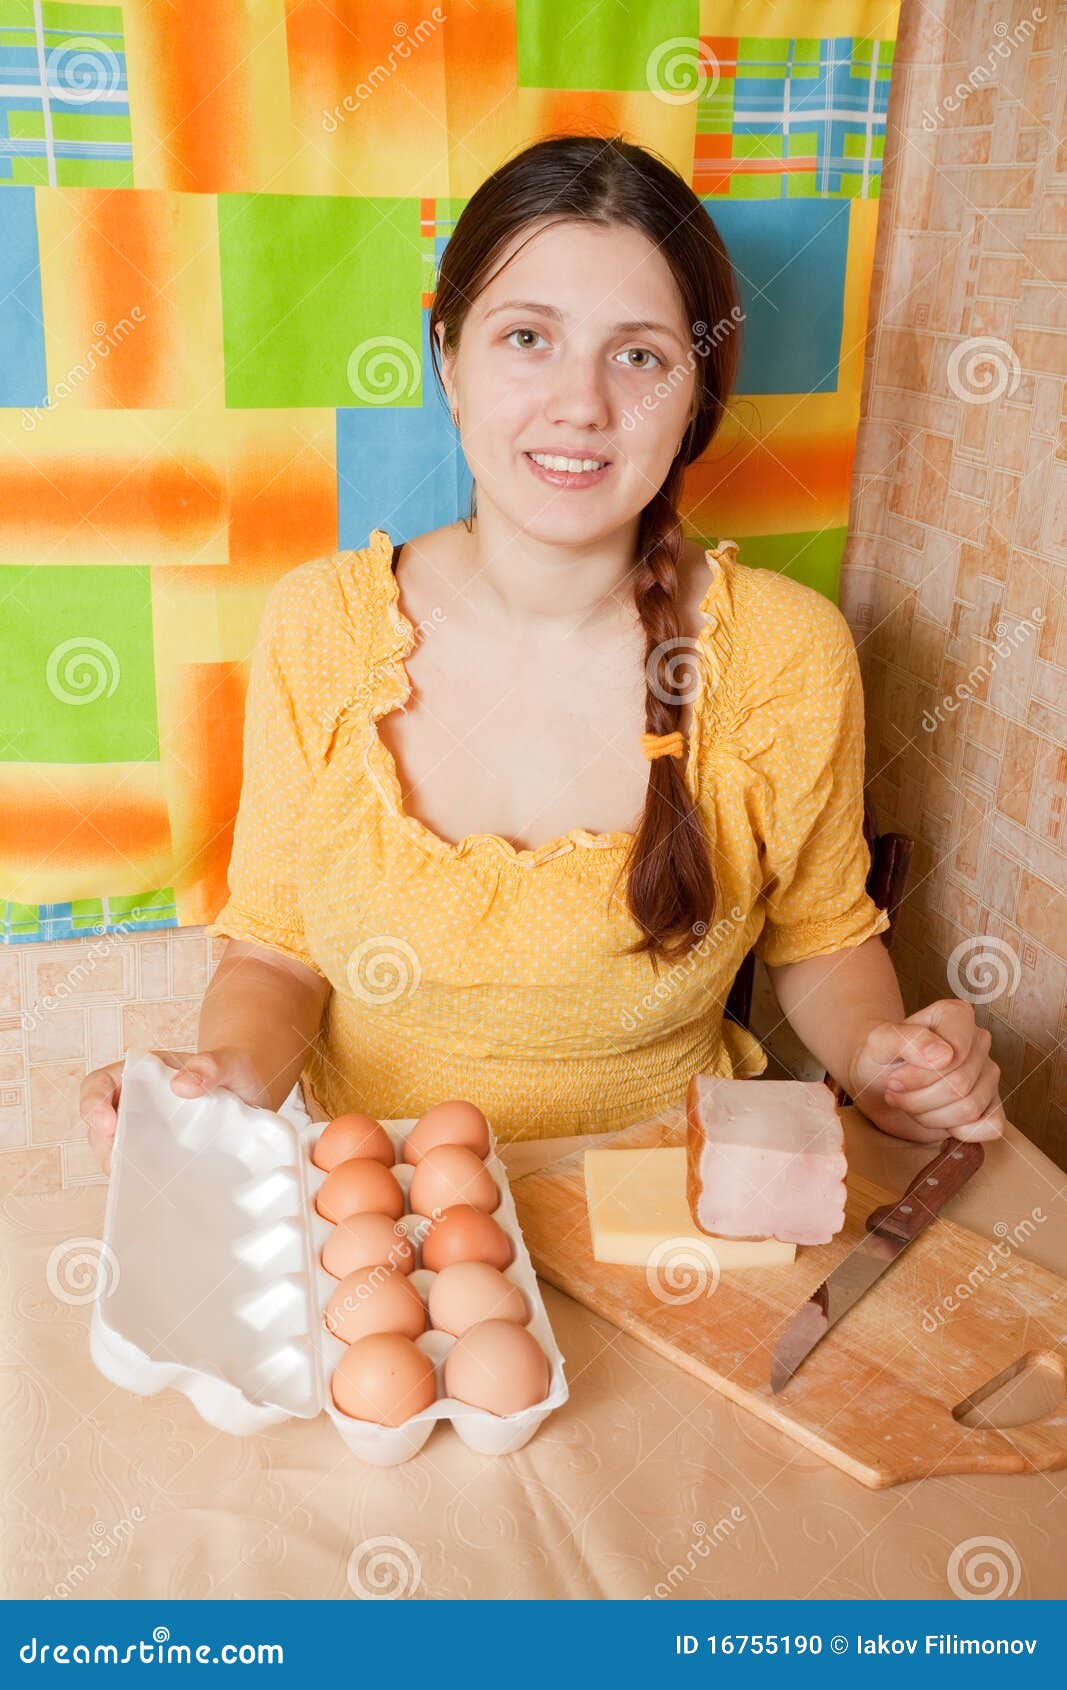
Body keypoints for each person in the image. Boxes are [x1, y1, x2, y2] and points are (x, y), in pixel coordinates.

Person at [82, 134, 1005, 1175]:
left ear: (696, 394)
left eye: (639, 355)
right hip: (377, 1205)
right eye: (528, 337)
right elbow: (274, 955)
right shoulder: (319, 625)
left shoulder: (789, 652)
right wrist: (222, 1081)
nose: (580, 403)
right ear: (448, 358)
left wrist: (884, 1066)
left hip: (665, 1213)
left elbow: (822, 941)